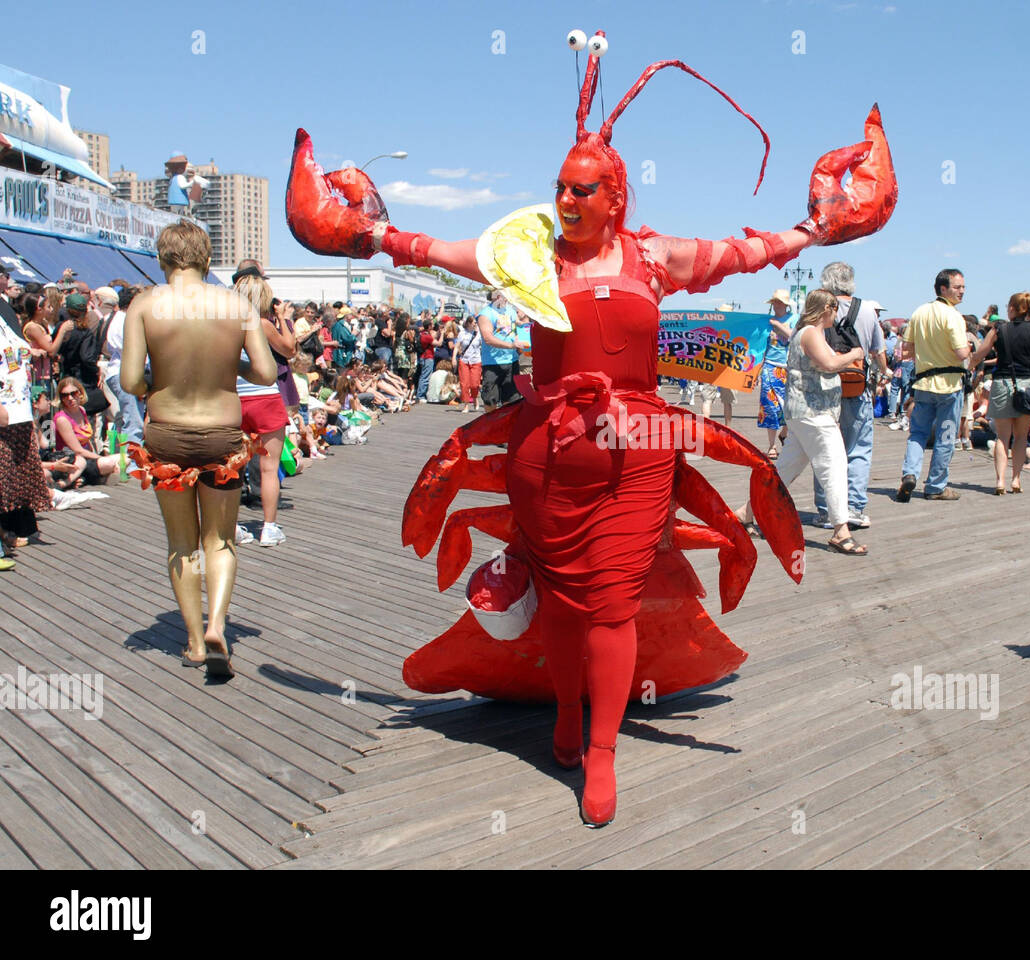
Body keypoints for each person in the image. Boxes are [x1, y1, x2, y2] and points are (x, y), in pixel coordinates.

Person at [285, 34, 900, 825]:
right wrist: (369, 230)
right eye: (560, 189)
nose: (566, 203)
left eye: (582, 192)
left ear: (615, 198)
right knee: (568, 604)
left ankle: (600, 749)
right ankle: (567, 717)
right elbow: (422, 247)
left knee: (612, 606)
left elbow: (752, 251)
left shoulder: (656, 257)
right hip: (547, 453)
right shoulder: (523, 253)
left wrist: (814, 229)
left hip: (638, 453)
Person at [121, 219, 277, 677]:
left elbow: (130, 380)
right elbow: (267, 374)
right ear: (207, 258)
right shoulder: (234, 305)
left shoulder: (144, 306)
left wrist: (159, 380)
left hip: (166, 432)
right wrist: (230, 369)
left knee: (181, 542)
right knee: (221, 539)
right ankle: (216, 626)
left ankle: (191, 640)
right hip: (220, 435)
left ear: (163, 257)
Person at [736, 289, 866, 554]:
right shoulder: (809, 333)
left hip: (804, 413)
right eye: (835, 308)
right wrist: (854, 354)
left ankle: (745, 513)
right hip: (814, 413)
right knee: (835, 467)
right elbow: (829, 364)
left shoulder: (804, 332)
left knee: (784, 470)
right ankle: (841, 531)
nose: (837, 313)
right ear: (826, 308)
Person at [812, 262, 888, 528]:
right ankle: (854, 508)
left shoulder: (818, 308)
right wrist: (885, 372)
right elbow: (877, 351)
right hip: (857, 390)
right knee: (858, 450)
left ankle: (826, 510)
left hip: (823, 390)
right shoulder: (867, 309)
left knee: (824, 451)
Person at [898, 268, 969, 502]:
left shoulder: (920, 312)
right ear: (943, 289)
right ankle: (936, 486)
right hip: (949, 386)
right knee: (946, 437)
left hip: (924, 383)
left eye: (963, 287)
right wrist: (969, 348)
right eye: (957, 287)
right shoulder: (953, 316)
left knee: (917, 433)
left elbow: (906, 349)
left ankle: (910, 473)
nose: (962, 292)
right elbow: (961, 353)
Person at [231, 275, 292, 548]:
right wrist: (282, 318)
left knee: (234, 468)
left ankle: (230, 525)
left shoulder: (224, 324)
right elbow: (289, 349)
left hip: (233, 399)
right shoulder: (262, 323)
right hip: (264, 398)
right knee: (269, 469)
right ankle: (269, 527)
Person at [968, 291, 1030, 493]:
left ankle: (1000, 481)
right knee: (1021, 436)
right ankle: (1016, 479)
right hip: (1027, 384)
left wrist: (971, 364)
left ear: (1012, 308)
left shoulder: (998, 328)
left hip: (1002, 381)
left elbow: (980, 353)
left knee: (1002, 437)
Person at [0, 311, 51, 566]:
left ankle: (15, 525)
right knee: (3, 473)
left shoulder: (5, 312)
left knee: (17, 474)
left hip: (19, 408)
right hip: (3, 410)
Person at [100, 286, 148, 446]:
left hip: (122, 372)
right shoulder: (125, 321)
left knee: (124, 420)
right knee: (133, 423)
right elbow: (134, 351)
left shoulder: (120, 319)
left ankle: (121, 460)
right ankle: (131, 466)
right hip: (126, 373)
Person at [51, 377, 121, 486]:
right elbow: (78, 451)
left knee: (124, 459)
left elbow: (87, 441)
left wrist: (97, 457)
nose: (70, 398)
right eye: (65, 395)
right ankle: (82, 478)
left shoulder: (82, 410)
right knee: (111, 462)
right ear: (61, 398)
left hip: (88, 457)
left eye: (73, 393)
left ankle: (86, 478)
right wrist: (101, 458)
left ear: (80, 393)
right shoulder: (62, 419)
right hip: (73, 460)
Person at [757, 289, 793, 458]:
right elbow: (761, 346)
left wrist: (778, 326)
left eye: (779, 302)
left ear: (786, 304)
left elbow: (796, 337)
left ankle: (785, 433)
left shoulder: (794, 319)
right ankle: (771, 446)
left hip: (789, 367)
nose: (777, 305)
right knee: (769, 406)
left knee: (790, 406)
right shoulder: (767, 321)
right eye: (775, 302)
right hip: (770, 367)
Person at [476, 289, 522, 411]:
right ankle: (490, 427)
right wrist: (511, 346)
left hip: (512, 362)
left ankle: (508, 428)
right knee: (490, 400)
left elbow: (517, 328)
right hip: (492, 363)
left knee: (512, 399)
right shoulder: (485, 314)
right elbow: (488, 338)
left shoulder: (510, 311)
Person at [453, 311, 483, 412]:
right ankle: (466, 404)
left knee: (475, 384)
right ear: (469, 323)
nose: (476, 324)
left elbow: (483, 347)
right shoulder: (463, 333)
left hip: (476, 360)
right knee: (464, 383)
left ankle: (474, 398)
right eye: (474, 322)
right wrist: (454, 358)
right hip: (464, 360)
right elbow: (457, 346)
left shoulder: (479, 334)